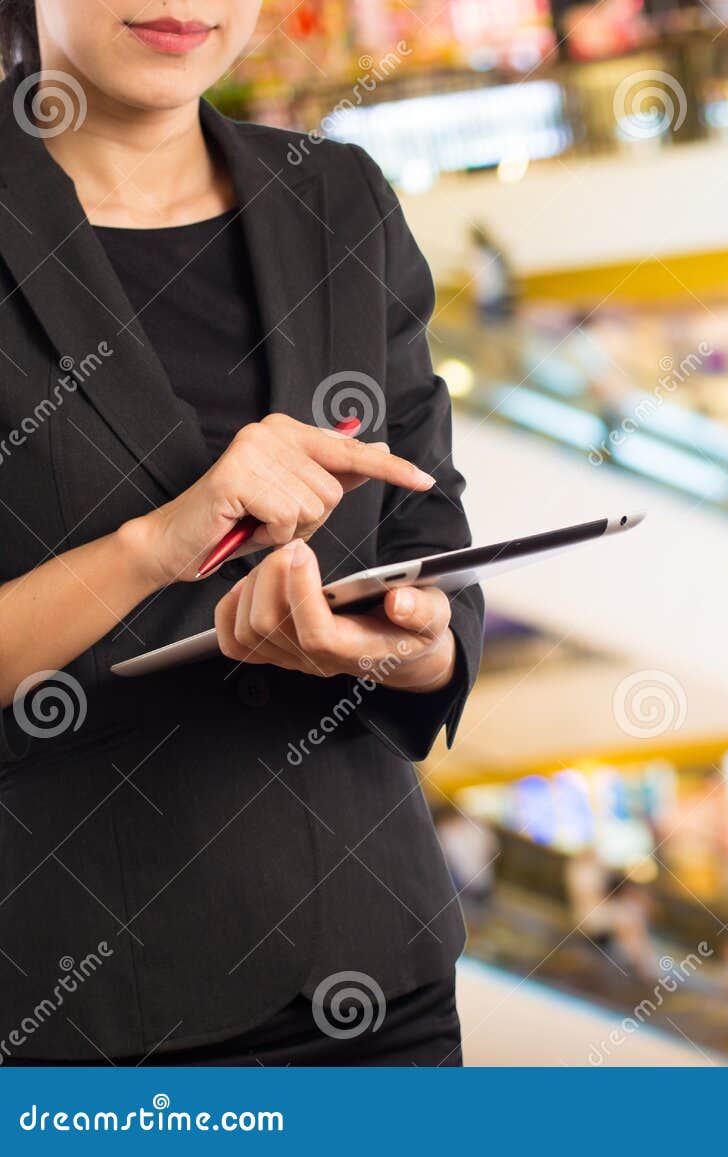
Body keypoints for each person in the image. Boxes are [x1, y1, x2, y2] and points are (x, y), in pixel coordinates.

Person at [0, 5, 484, 1065]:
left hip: (375, 975)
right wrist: (154, 545)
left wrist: (409, 636)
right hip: (81, 1010)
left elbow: (425, 518)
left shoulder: (338, 194)